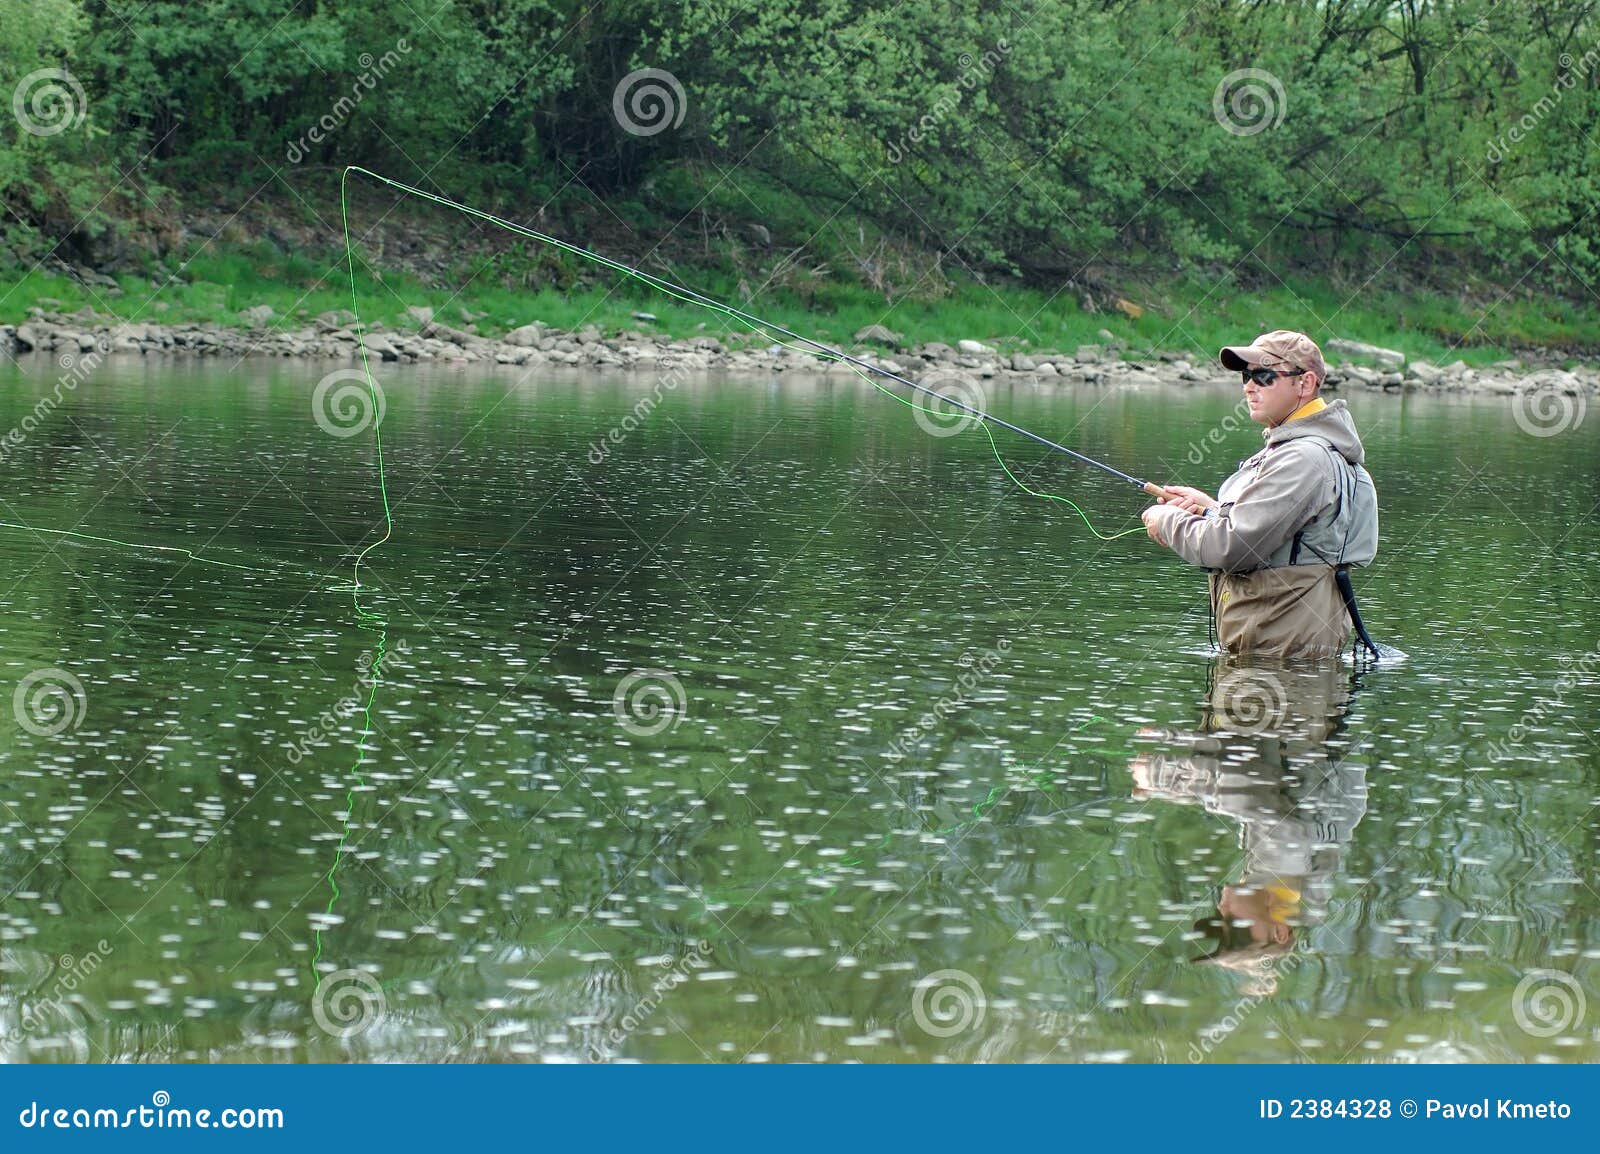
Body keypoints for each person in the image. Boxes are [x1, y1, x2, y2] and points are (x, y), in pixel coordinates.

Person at [1141, 331, 1379, 659]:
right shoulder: (1304, 452)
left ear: (1305, 384)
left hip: (1279, 665)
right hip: (1278, 656)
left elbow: (1234, 547)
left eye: (1263, 376)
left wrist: (1167, 520)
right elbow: (1282, 538)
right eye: (1245, 375)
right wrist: (1211, 510)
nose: (1249, 386)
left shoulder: (1303, 459)